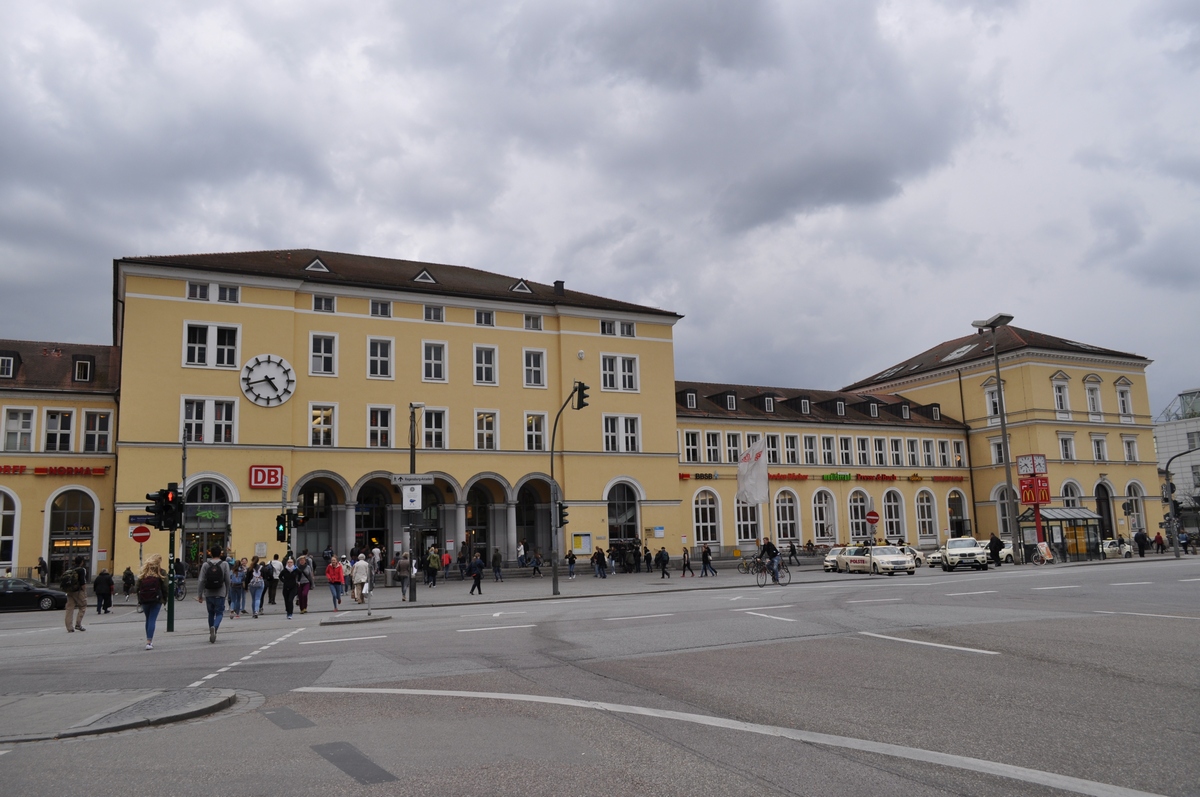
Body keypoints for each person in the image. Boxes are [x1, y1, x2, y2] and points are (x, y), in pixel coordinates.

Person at [197, 546, 230, 643]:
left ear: (210, 554)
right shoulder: (224, 564)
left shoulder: (206, 564)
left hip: (209, 593)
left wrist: (200, 594)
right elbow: (227, 579)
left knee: (211, 613)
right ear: (220, 554)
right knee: (219, 613)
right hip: (220, 592)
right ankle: (214, 628)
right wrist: (227, 592)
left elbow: (201, 580)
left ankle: (211, 629)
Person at [136, 554, 168, 649]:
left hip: (145, 599)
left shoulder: (144, 573)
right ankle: (149, 641)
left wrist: (140, 599)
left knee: (148, 619)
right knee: (152, 620)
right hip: (156, 599)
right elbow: (165, 587)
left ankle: (148, 640)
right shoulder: (161, 572)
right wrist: (164, 599)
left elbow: (137, 587)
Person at [63, 555, 88, 632]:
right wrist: (84, 591)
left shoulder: (70, 569)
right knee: (83, 606)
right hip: (78, 591)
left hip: (70, 590)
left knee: (69, 609)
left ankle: (69, 627)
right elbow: (82, 582)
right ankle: (78, 624)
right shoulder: (81, 570)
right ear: (82, 562)